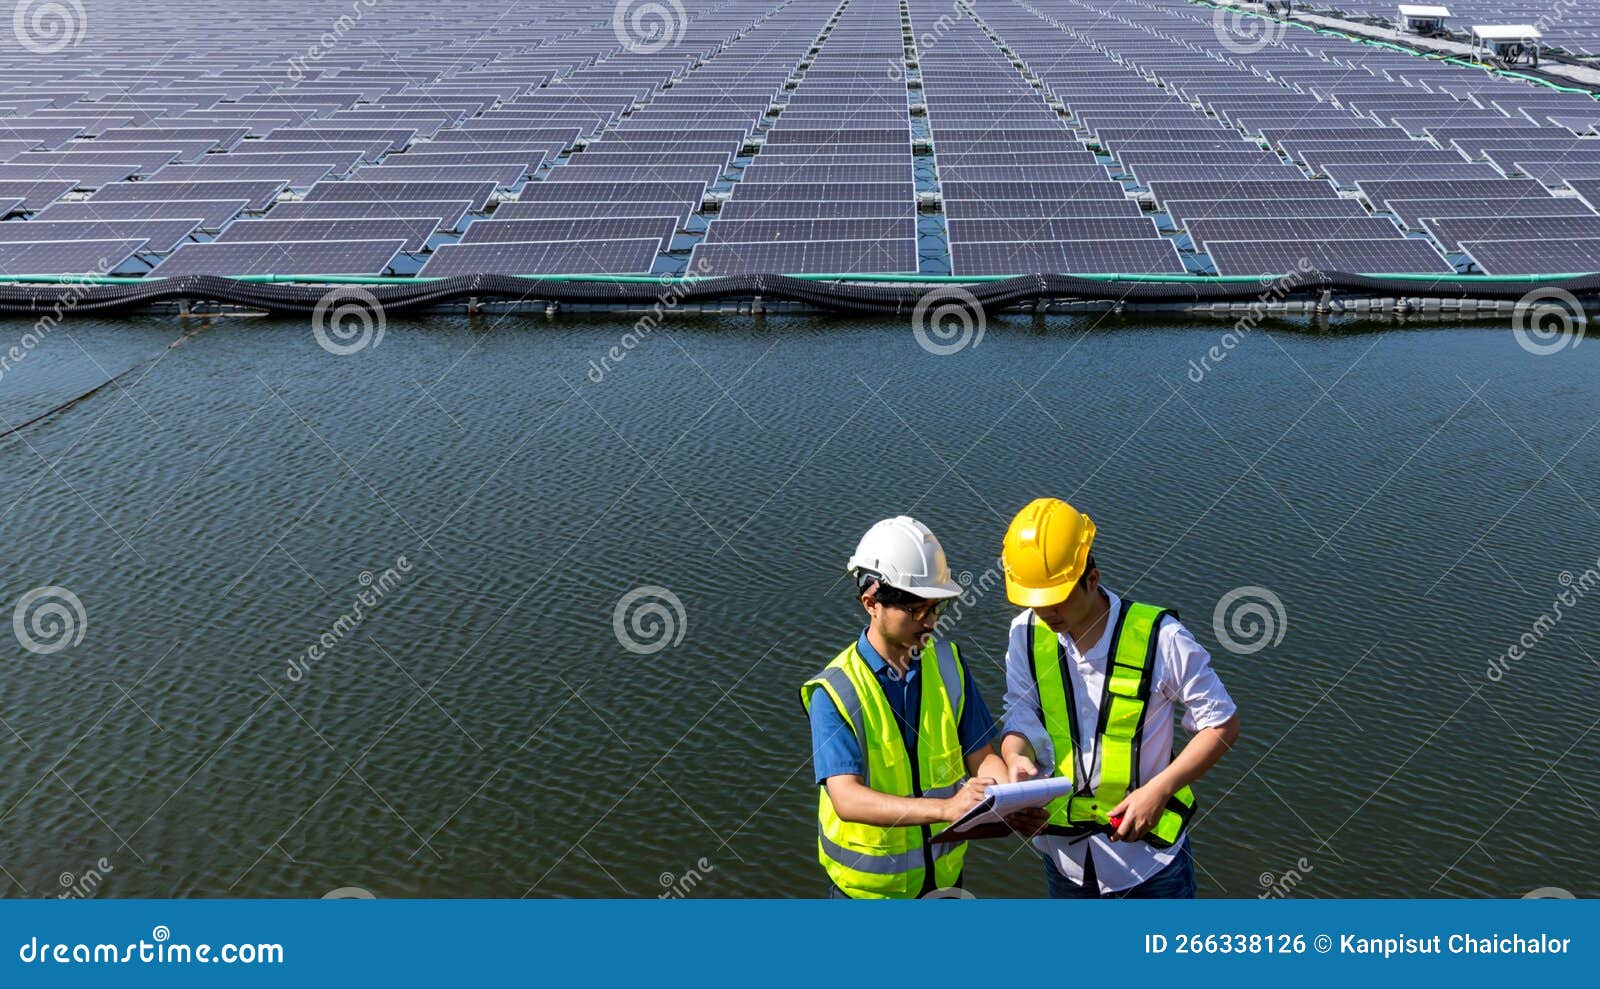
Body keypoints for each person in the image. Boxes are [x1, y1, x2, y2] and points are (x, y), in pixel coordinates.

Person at [998, 498, 1240, 898]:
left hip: (1149, 869)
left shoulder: (1160, 638)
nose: (1045, 614)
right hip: (1065, 862)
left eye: (1056, 599)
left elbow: (1222, 724)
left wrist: (1159, 791)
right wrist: (1015, 760)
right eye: (1035, 602)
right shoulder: (1024, 634)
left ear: (1092, 579)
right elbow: (1020, 713)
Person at [801, 516, 1039, 899]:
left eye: (935, 609)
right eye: (915, 611)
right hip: (867, 896)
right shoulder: (836, 692)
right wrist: (946, 809)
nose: (929, 622)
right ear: (871, 603)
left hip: (944, 884)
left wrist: (1010, 797)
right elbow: (846, 799)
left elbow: (981, 755)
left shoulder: (949, 666)